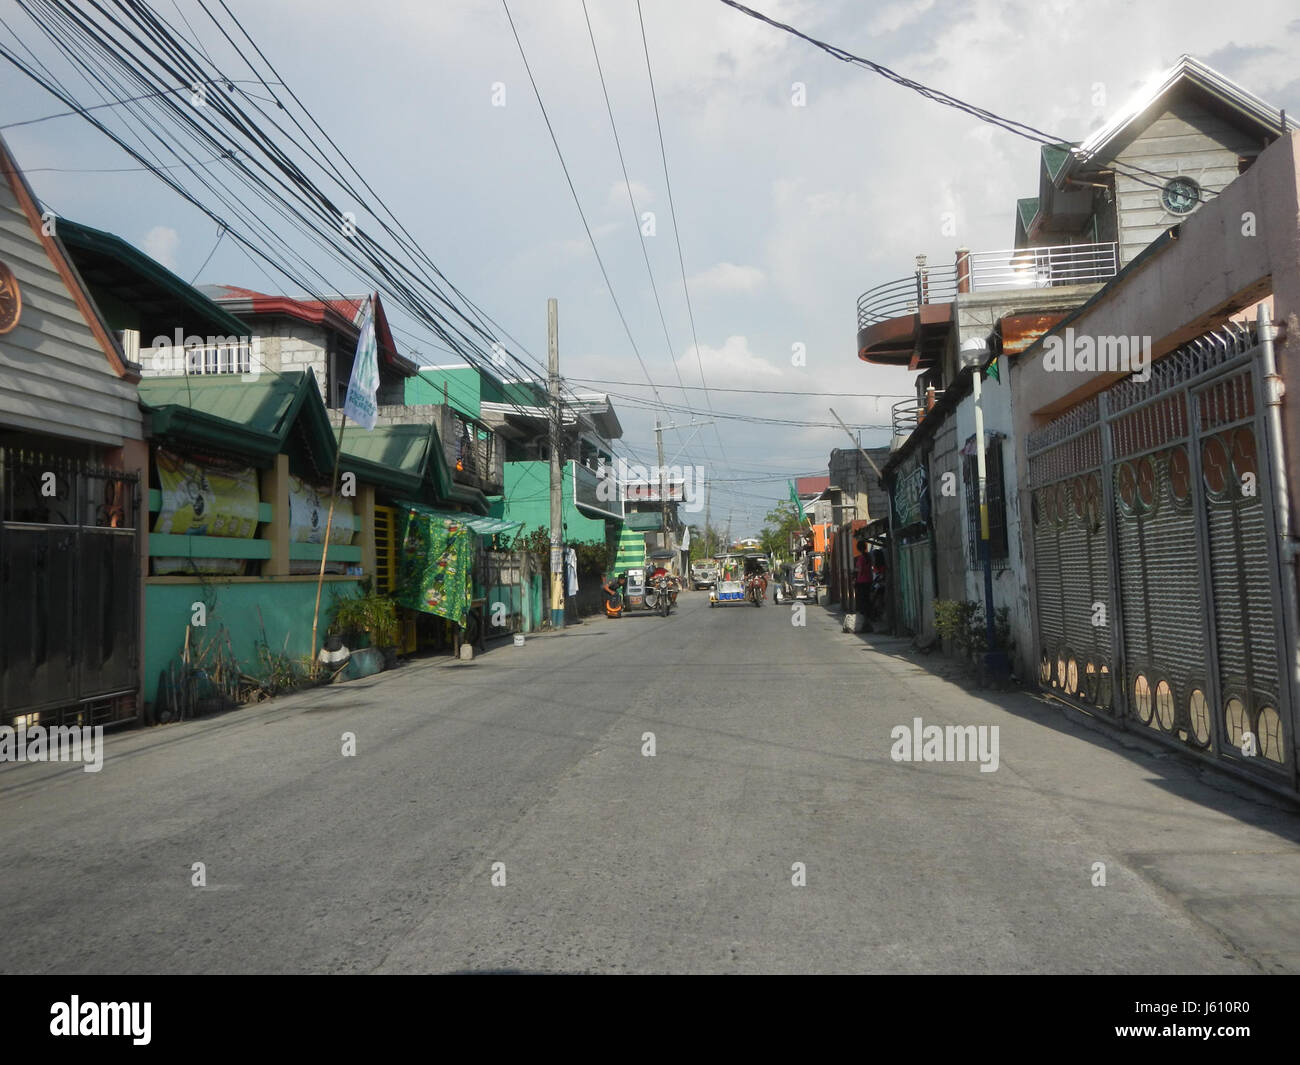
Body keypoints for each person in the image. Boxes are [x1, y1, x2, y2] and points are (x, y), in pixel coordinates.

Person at [853, 539, 871, 622]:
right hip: (869, 580)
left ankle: (864, 618)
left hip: (861, 581)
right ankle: (868, 616)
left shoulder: (861, 558)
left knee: (862, 600)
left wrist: (855, 571)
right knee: (867, 599)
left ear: (858, 548)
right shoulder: (868, 557)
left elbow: (860, 570)